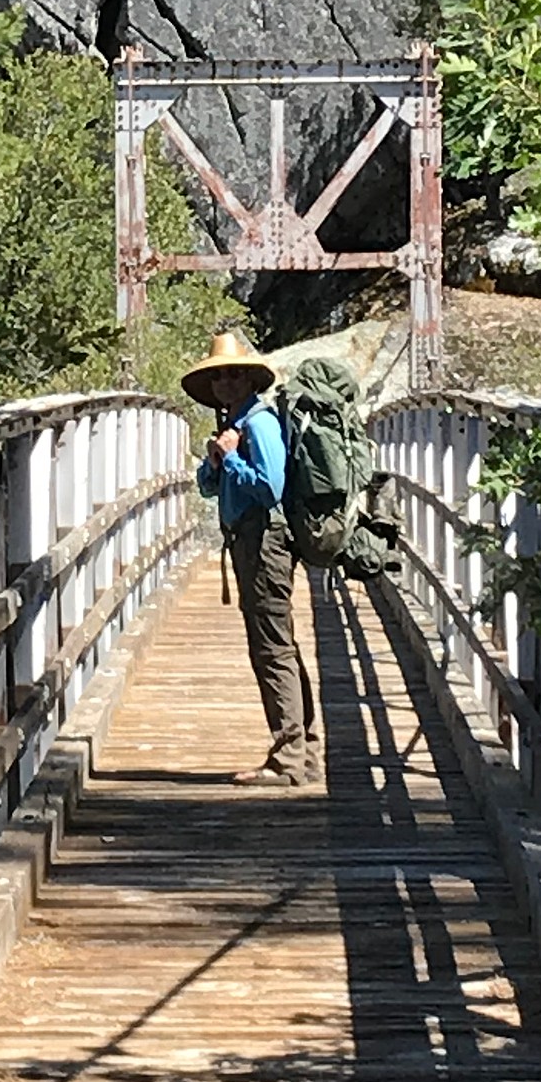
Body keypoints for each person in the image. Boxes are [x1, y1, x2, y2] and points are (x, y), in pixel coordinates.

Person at [182, 331, 321, 786]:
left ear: (249, 378)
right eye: (217, 375)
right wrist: (216, 462)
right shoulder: (236, 425)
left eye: (232, 373)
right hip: (247, 540)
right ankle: (303, 752)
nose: (224, 382)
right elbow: (208, 486)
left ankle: (289, 760)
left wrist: (233, 460)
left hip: (264, 542)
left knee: (272, 648)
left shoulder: (258, 424)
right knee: (278, 643)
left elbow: (269, 489)